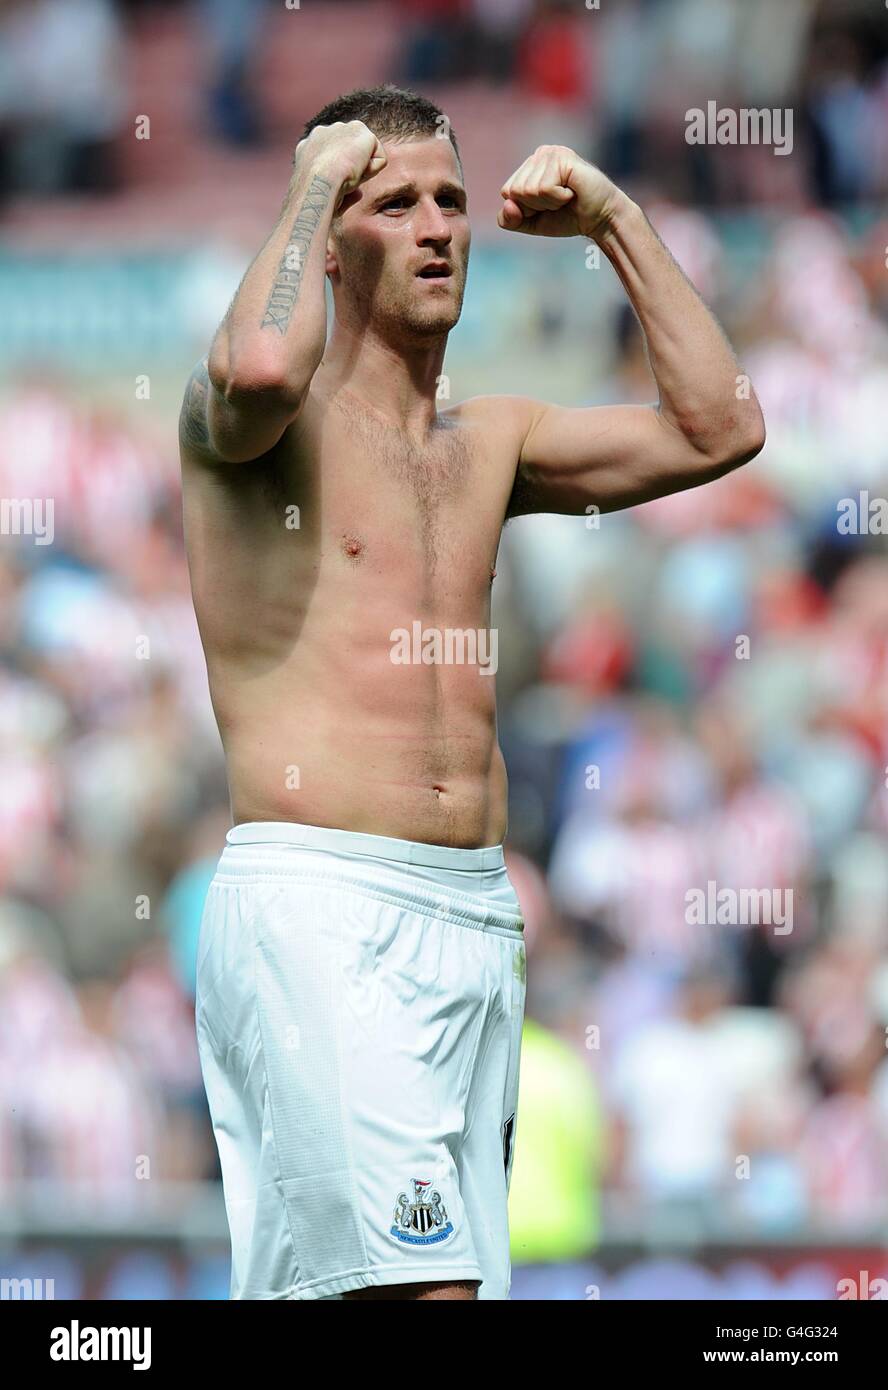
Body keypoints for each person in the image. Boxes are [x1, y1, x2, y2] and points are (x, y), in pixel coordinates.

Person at [179, 83, 765, 1302]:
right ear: (333, 237)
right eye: (393, 204)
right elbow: (259, 360)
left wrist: (611, 214)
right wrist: (309, 181)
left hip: (472, 913)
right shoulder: (251, 424)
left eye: (451, 198)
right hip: (322, 900)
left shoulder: (490, 440)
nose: (439, 225)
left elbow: (720, 427)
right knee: (423, 1290)